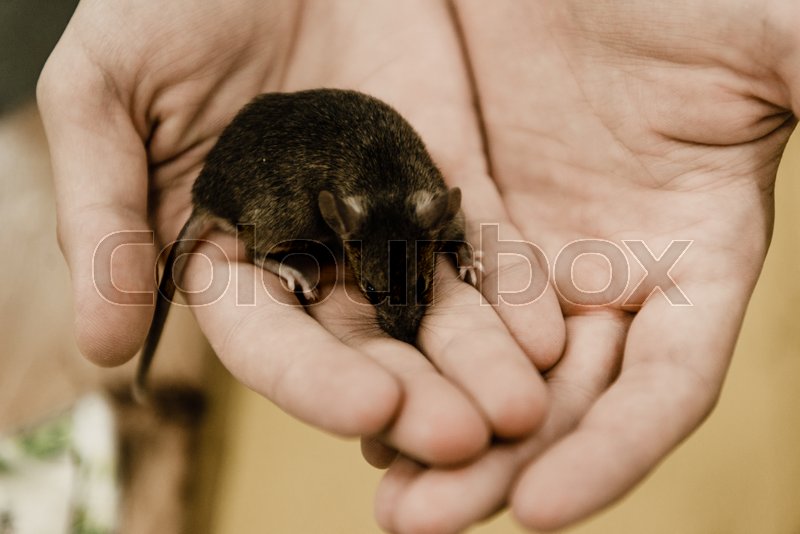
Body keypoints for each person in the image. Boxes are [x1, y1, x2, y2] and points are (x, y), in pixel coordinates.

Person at [37, 0, 796, 531]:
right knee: (277, 216)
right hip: (260, 172)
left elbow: (445, 224)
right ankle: (272, 253)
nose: (398, 312)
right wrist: (285, 258)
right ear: (342, 229)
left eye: (413, 282)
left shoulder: (427, 204)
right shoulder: (348, 210)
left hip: (313, 151)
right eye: (379, 290)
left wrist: (460, 252)